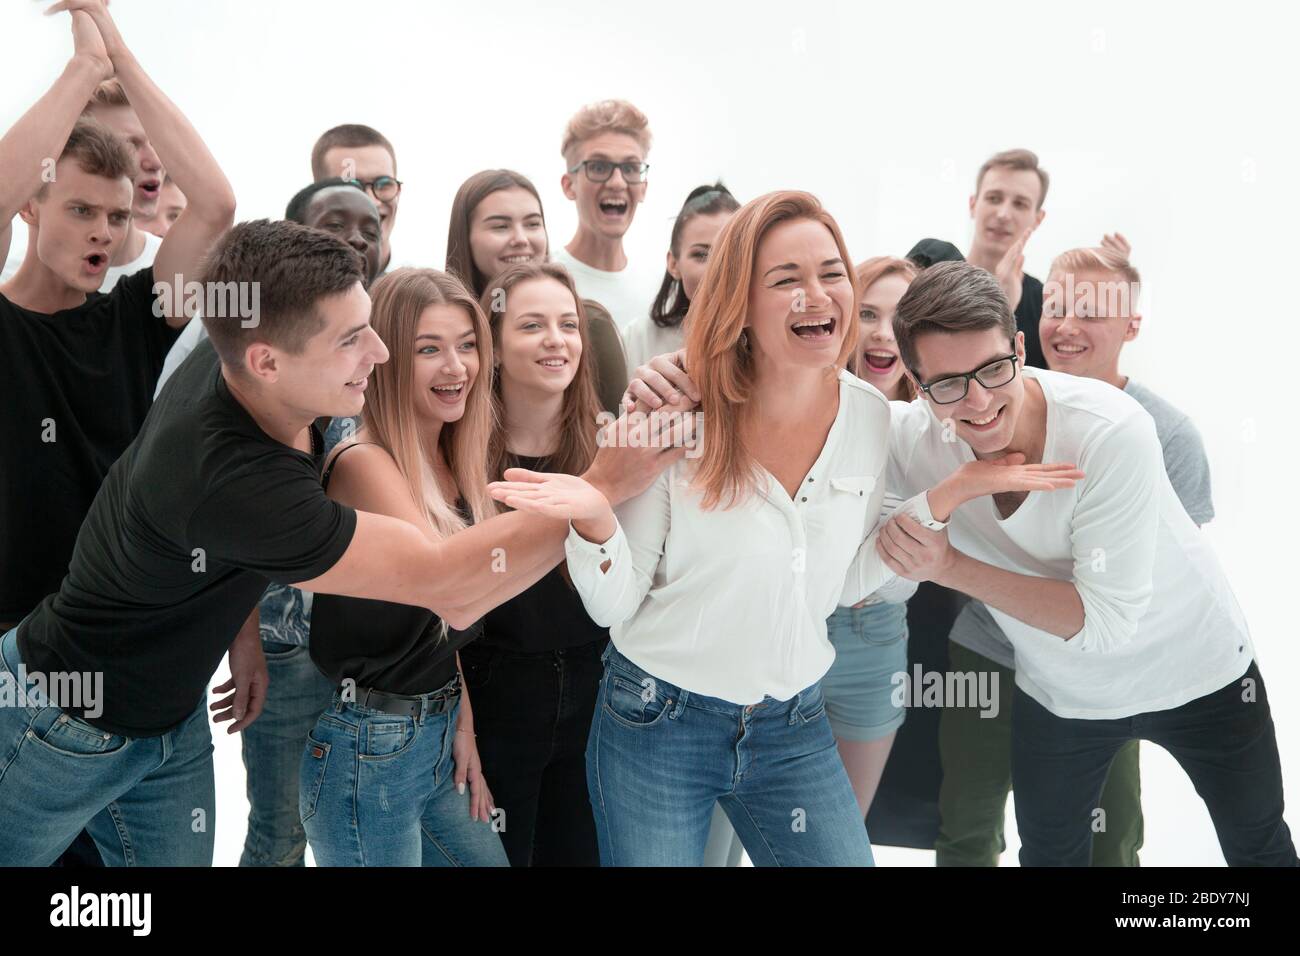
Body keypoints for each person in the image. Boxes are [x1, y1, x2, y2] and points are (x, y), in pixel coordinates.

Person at [0, 210, 678, 866]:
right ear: (267, 362)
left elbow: (216, 203)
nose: (377, 354)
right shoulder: (246, 480)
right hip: (58, 720)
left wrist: (238, 634)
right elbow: (451, 590)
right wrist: (602, 488)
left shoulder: (243, 351)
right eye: (353, 340)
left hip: (171, 723)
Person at [494, 192, 1079, 866]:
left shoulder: (866, 418)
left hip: (791, 723)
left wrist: (947, 495)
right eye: (786, 279)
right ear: (740, 303)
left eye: (831, 273)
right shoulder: (675, 410)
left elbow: (845, 581)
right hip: (658, 723)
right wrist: (595, 520)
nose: (817, 294)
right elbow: (615, 602)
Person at [935, 237, 1210, 867]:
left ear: (1131, 324)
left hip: (1101, 673)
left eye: (1092, 309)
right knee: (968, 831)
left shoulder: (1165, 435)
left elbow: (1173, 586)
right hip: (991, 649)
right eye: (1056, 306)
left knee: (1107, 843)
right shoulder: (987, 402)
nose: (1067, 325)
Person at [303, 268, 508, 866]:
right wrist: (579, 511)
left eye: (467, 345)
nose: (456, 367)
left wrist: (462, 720)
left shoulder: (452, 459)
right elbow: (451, 593)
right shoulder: (363, 462)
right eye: (429, 349)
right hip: (369, 750)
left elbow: (441, 635)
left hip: (438, 731)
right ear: (387, 359)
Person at [458, 263, 608, 866]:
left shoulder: (612, 447)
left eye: (568, 324)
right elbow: (441, 614)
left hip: (597, 695)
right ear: (492, 349)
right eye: (532, 325)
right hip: (497, 696)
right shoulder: (460, 455)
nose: (557, 339)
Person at [444, 168, 628, 413]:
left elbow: (617, 429)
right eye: (500, 226)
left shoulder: (590, 322)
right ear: (466, 238)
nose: (521, 239)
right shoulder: (441, 328)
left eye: (532, 224)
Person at [550, 99, 659, 332]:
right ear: (569, 186)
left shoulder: (659, 293)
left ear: (643, 188)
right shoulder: (540, 279)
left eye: (630, 168)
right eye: (599, 167)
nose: (617, 182)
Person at [621, 183, 740, 376]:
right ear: (673, 264)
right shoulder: (638, 337)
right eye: (702, 255)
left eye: (729, 254)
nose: (717, 269)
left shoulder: (770, 339)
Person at [311, 123, 401, 275]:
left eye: (384, 184)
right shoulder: (265, 288)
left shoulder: (425, 294)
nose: (372, 202)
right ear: (317, 197)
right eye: (352, 186)